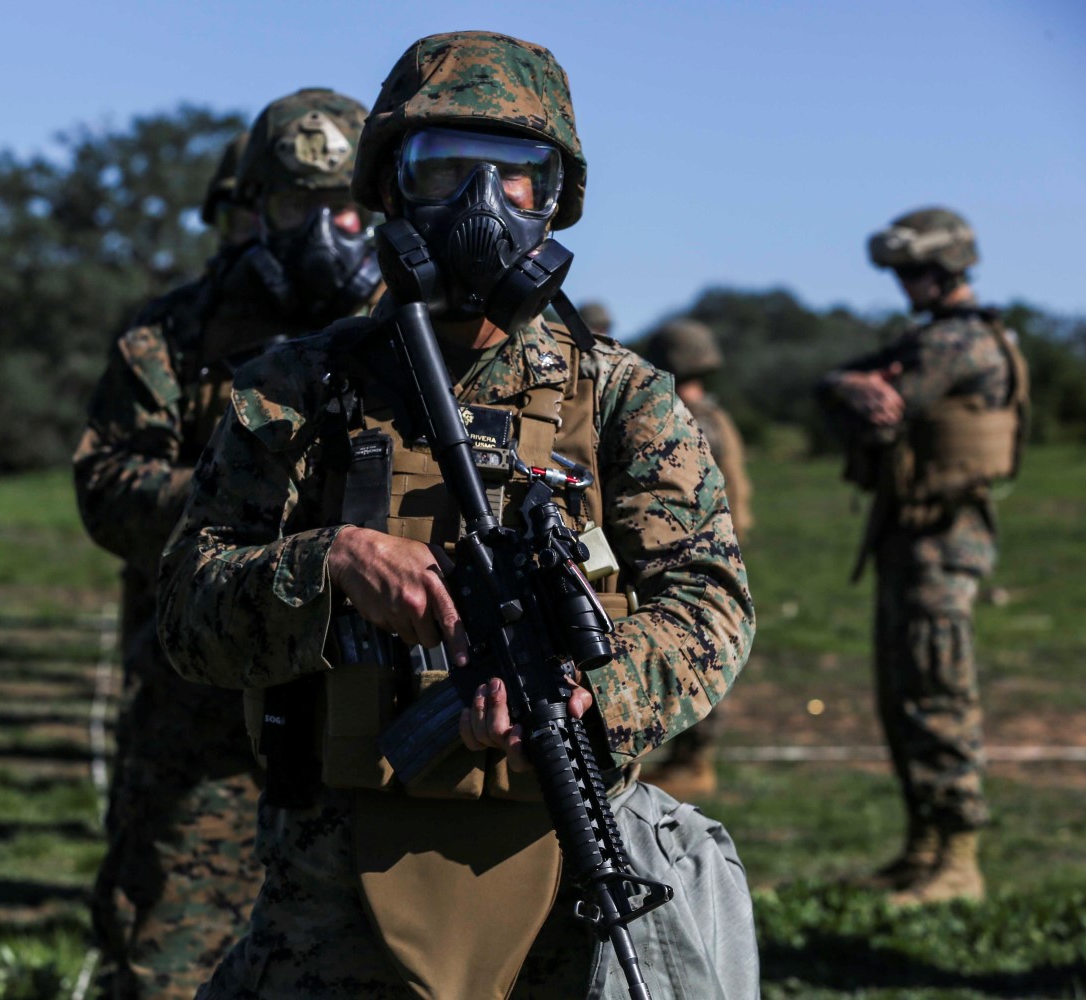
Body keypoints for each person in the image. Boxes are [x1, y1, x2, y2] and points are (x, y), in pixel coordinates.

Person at [159, 32, 757, 999]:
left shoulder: (620, 398)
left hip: (565, 858)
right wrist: (330, 562)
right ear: (391, 191)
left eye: (517, 173)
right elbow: (187, 615)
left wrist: (589, 699)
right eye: (443, 171)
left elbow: (711, 603)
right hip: (331, 882)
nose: (482, 202)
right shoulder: (294, 388)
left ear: (556, 196)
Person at [73, 87, 381, 997]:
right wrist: (264, 510)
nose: (327, 230)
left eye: (347, 206)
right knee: (172, 953)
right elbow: (107, 483)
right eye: (296, 207)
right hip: (202, 704)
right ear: (251, 206)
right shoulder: (176, 332)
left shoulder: (421, 329)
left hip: (374, 711)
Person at [818, 207, 1027, 905]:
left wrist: (851, 388)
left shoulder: (959, 345)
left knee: (938, 696)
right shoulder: (936, 337)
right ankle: (926, 848)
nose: (904, 284)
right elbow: (841, 385)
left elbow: (888, 403)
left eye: (912, 271)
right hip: (912, 537)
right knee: (904, 695)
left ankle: (959, 859)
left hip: (942, 540)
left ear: (944, 268)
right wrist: (846, 384)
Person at [640, 318, 754, 796]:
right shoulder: (713, 412)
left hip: (689, 549)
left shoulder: (685, 416)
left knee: (697, 649)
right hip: (715, 546)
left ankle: (694, 759)